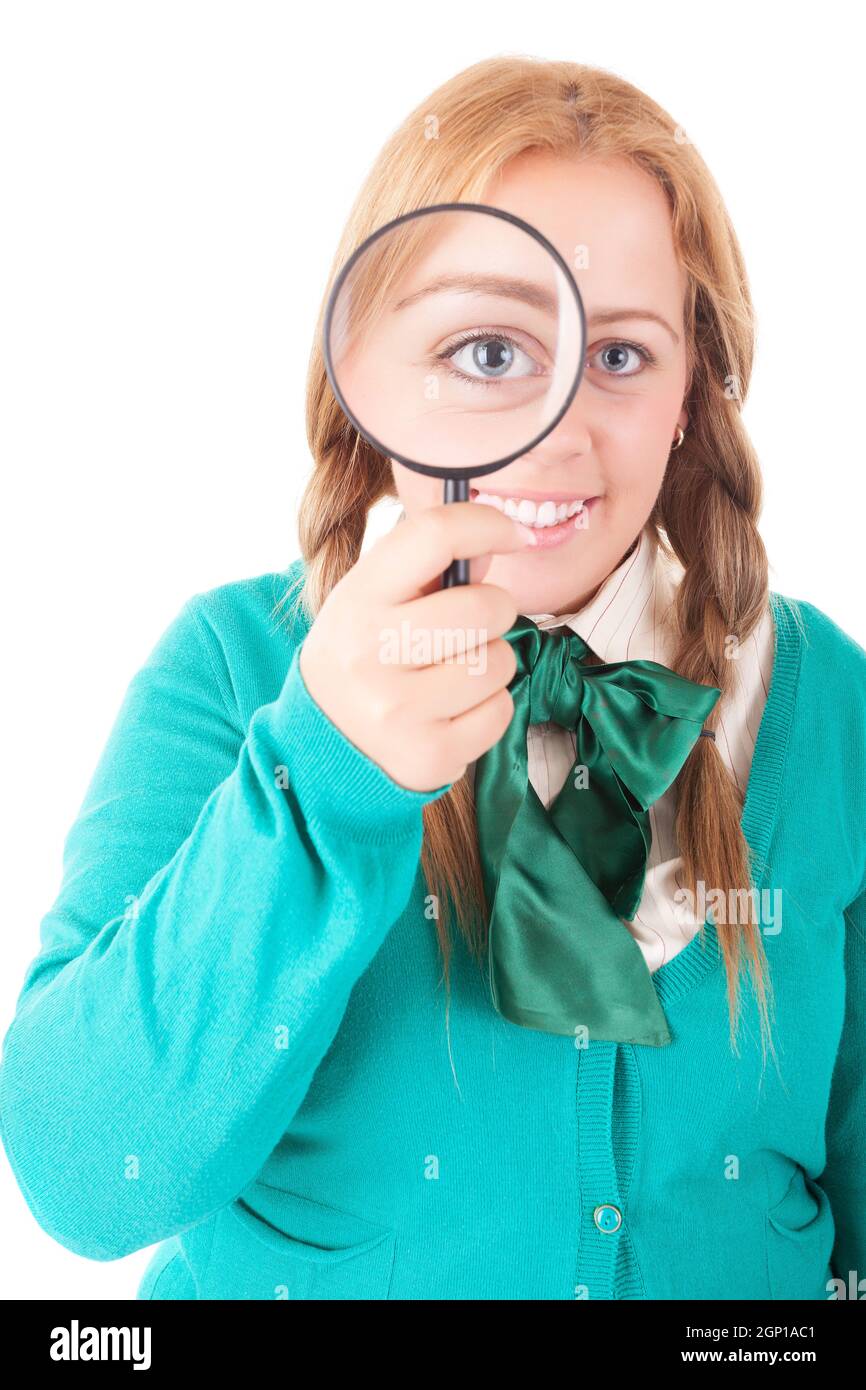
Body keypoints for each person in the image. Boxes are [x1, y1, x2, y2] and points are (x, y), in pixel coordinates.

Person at [1, 55, 864, 1302]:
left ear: (691, 398)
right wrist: (323, 774)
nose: (559, 429)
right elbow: (85, 1179)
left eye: (619, 357)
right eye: (487, 350)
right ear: (371, 375)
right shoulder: (230, 668)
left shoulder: (825, 701)